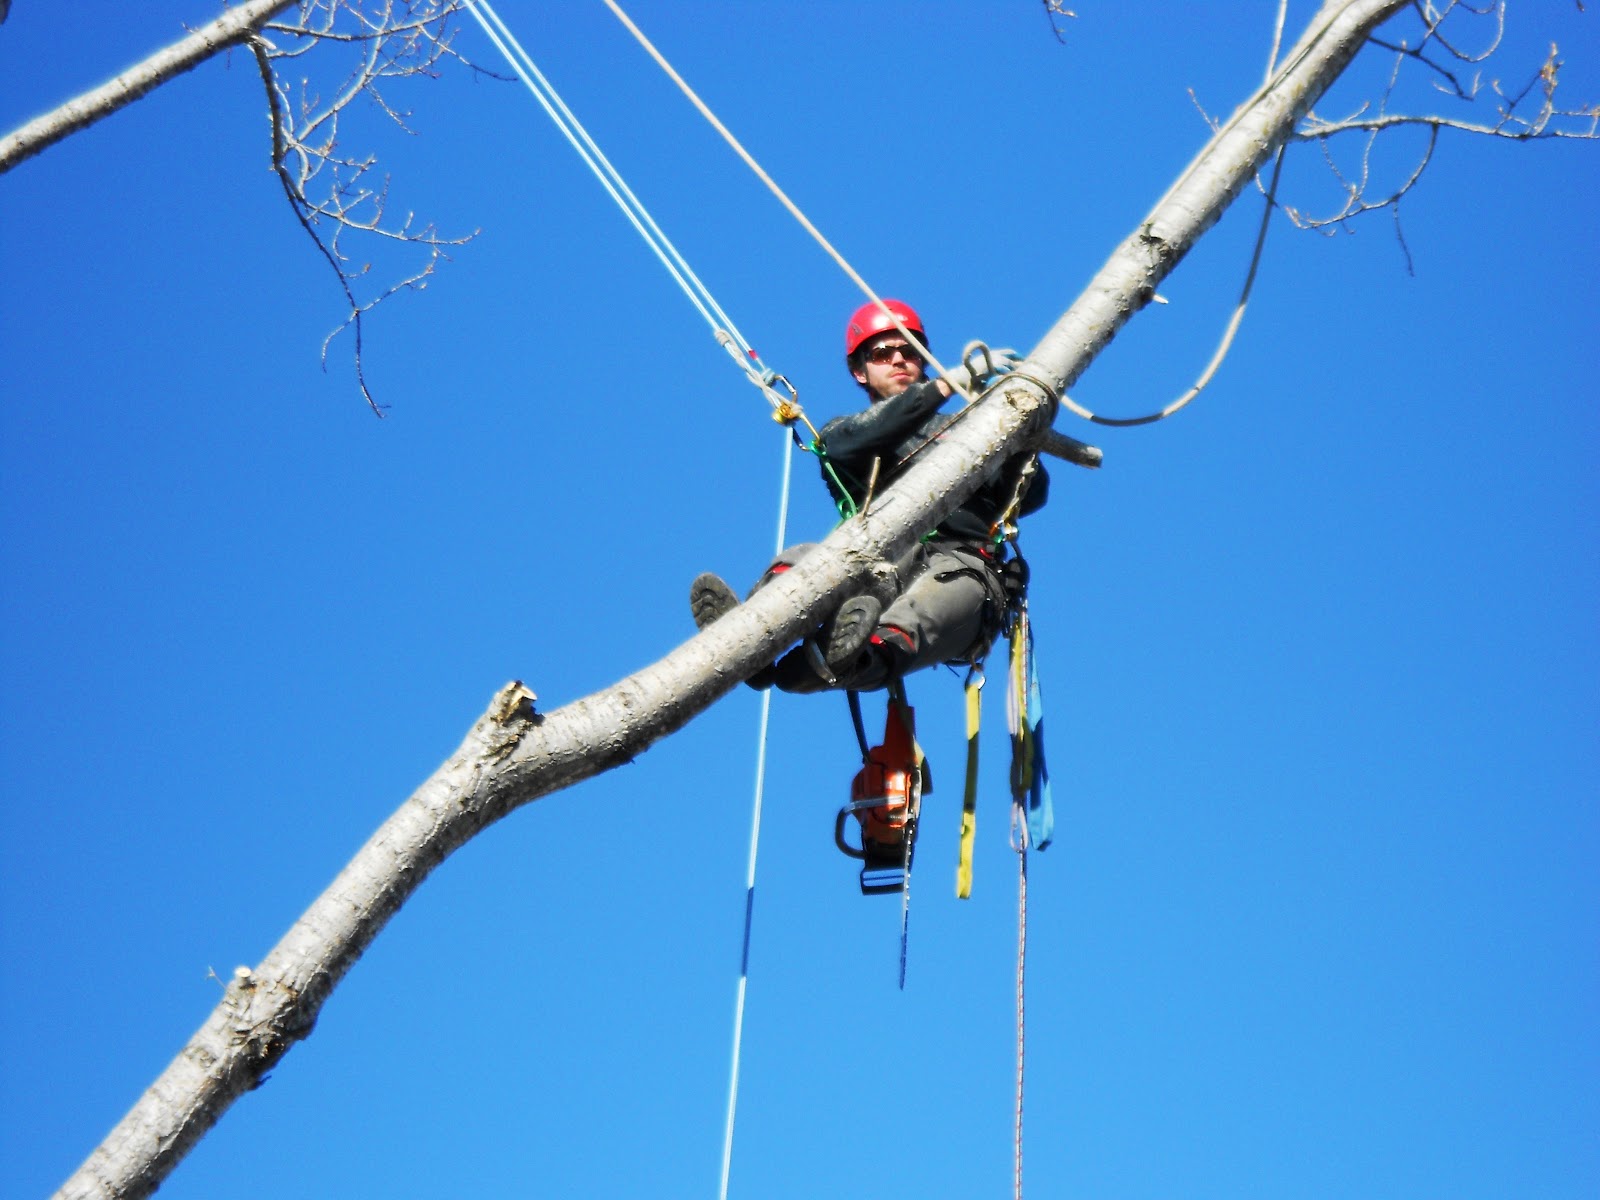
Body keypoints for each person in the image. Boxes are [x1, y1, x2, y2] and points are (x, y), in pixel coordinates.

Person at [691, 299, 1048, 693]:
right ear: (860, 371)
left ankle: (834, 663)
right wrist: (946, 385)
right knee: (803, 560)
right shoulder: (849, 433)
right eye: (882, 354)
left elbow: (1027, 495)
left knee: (929, 608)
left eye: (909, 351)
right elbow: (849, 444)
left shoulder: (974, 432)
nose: (899, 359)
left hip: (960, 563)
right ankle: (750, 638)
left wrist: (1017, 431)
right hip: (876, 552)